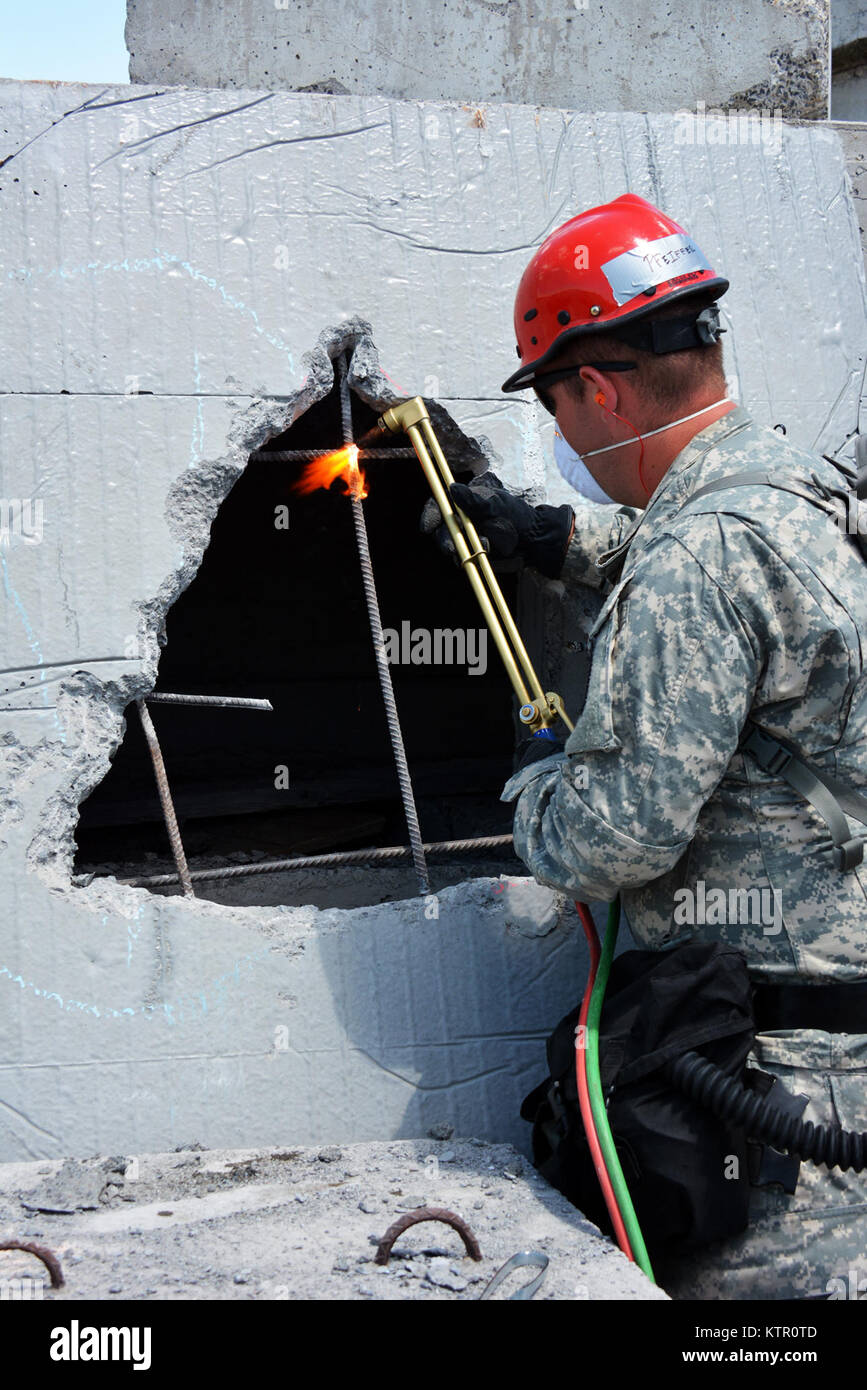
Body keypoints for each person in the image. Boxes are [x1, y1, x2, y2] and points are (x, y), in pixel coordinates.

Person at [425, 193, 867, 1300]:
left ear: (601, 388)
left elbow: (617, 838)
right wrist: (546, 534)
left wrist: (535, 787)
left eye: (562, 407)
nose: (567, 437)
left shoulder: (698, 561)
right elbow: (696, 558)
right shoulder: (805, 493)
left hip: (775, 1104)